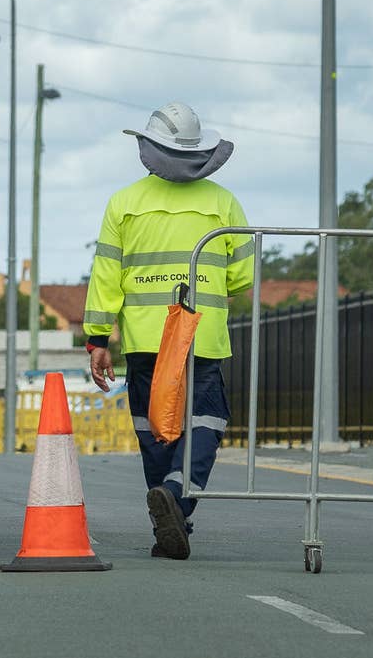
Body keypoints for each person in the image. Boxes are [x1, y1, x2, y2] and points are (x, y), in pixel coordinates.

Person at [83, 102, 254, 560]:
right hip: (204, 336)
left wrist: (98, 339)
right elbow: (242, 277)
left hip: (146, 341)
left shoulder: (124, 204)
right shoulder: (224, 203)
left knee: (156, 427)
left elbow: (105, 277)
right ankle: (178, 500)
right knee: (205, 421)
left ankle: (168, 508)